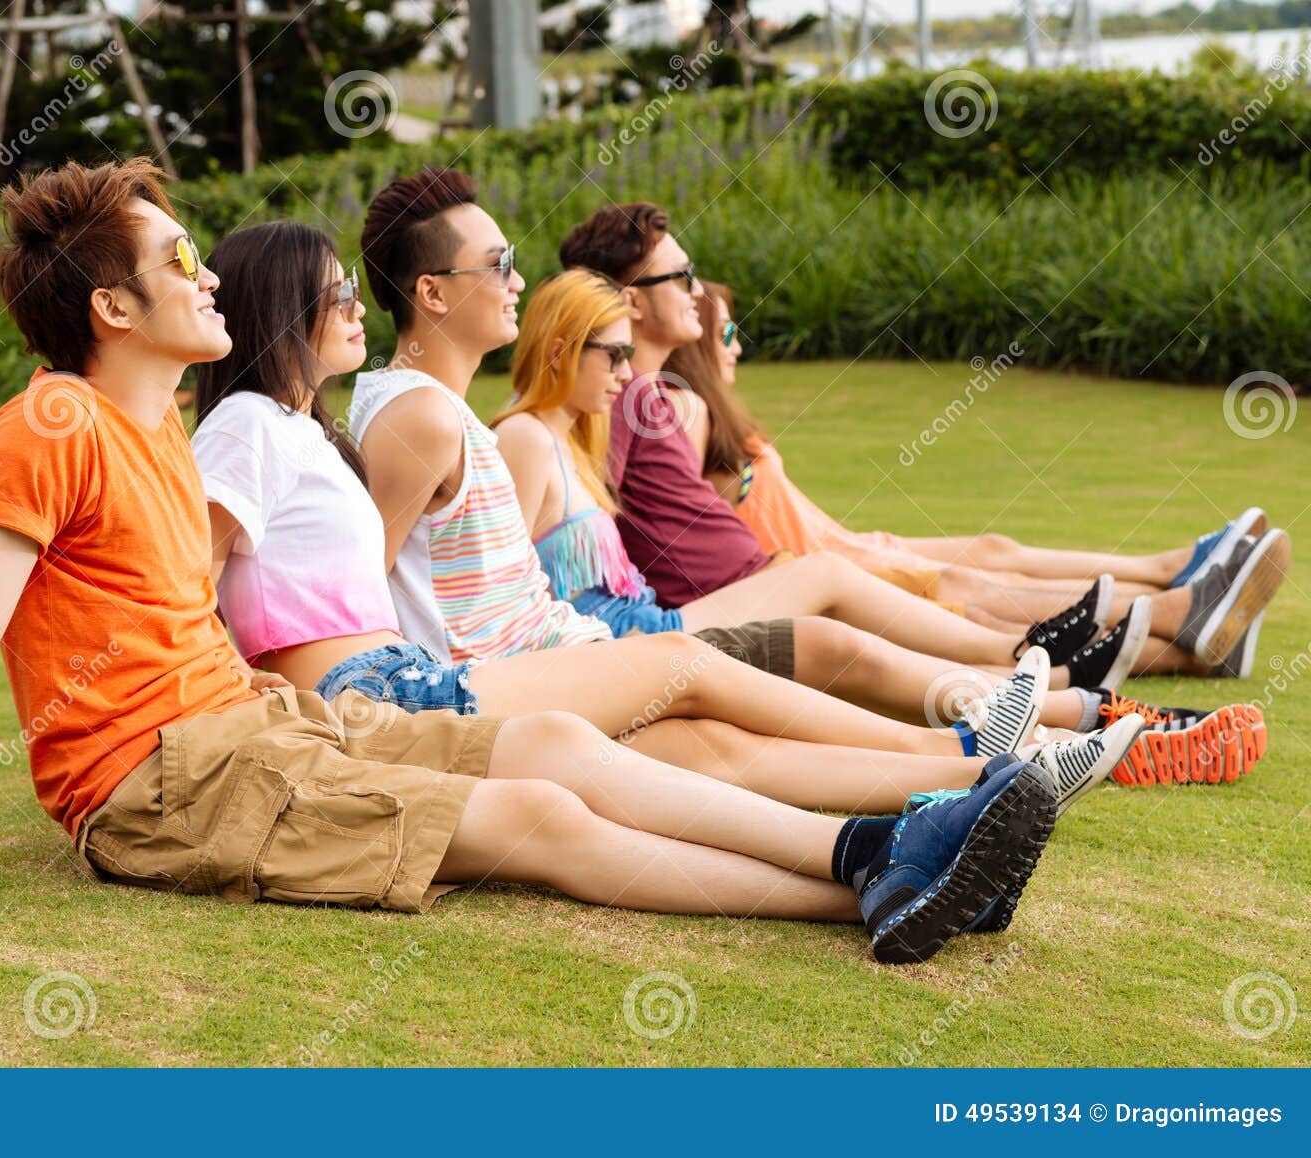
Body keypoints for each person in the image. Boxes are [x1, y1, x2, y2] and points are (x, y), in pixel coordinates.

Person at [0, 158, 1063, 967]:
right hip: (155, 780)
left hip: (254, 719)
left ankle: (898, 837)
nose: (208, 270)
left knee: (560, 747)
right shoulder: (49, 421)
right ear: (111, 309)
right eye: (176, 261)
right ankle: (879, 875)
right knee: (539, 817)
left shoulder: (157, 423)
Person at [192, 221, 1149, 815]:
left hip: (493, 662)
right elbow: (300, 585)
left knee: (723, 747)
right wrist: (261, 715)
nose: (516, 281)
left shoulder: (338, 426)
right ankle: (996, 726)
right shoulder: (393, 419)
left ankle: (1010, 749)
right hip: (474, 672)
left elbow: (365, 582)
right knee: (738, 654)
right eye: (500, 264)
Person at [495, 269, 1267, 790]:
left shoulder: (576, 438)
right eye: (614, 353)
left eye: (631, 355)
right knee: (833, 603)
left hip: (638, 631)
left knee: (853, 621)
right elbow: (488, 593)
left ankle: (1076, 702)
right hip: (622, 640)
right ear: (562, 349)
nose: (629, 371)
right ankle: (1066, 693)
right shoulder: (528, 440)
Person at [557, 201, 1291, 679]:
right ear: (628, 298)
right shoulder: (635, 404)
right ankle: (1177, 613)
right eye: (680, 275)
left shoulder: (645, 397)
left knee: (971, 594)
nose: (697, 288)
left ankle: (1181, 619)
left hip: (779, 573)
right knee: (967, 605)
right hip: (757, 591)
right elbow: (593, 508)